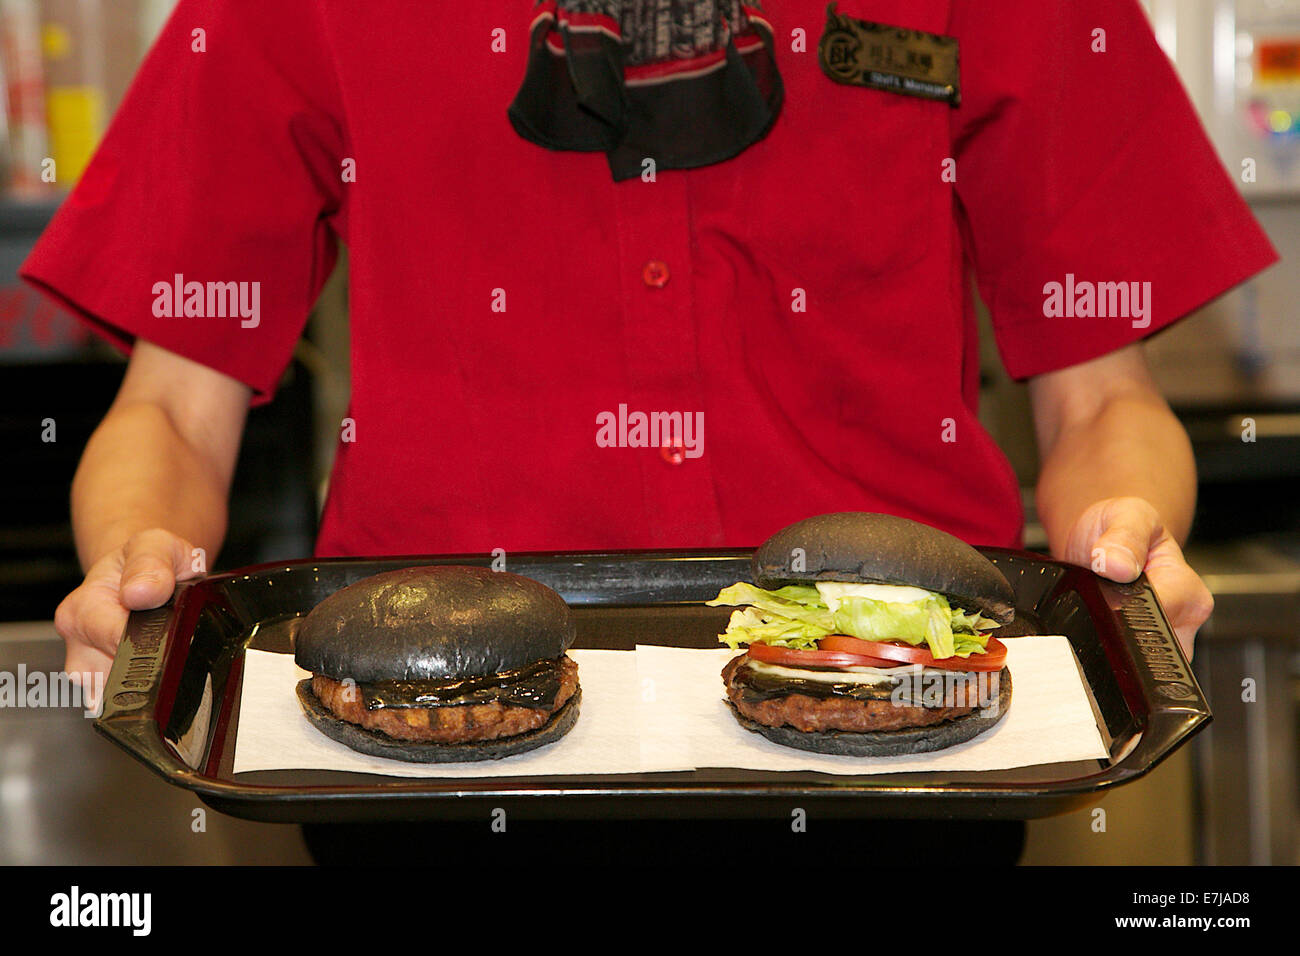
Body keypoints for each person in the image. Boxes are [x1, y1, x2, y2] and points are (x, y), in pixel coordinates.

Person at [18, 1, 1276, 864]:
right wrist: (139, 556)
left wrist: (1127, 535)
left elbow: (1105, 400)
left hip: (907, 757)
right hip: (418, 780)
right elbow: (173, 408)